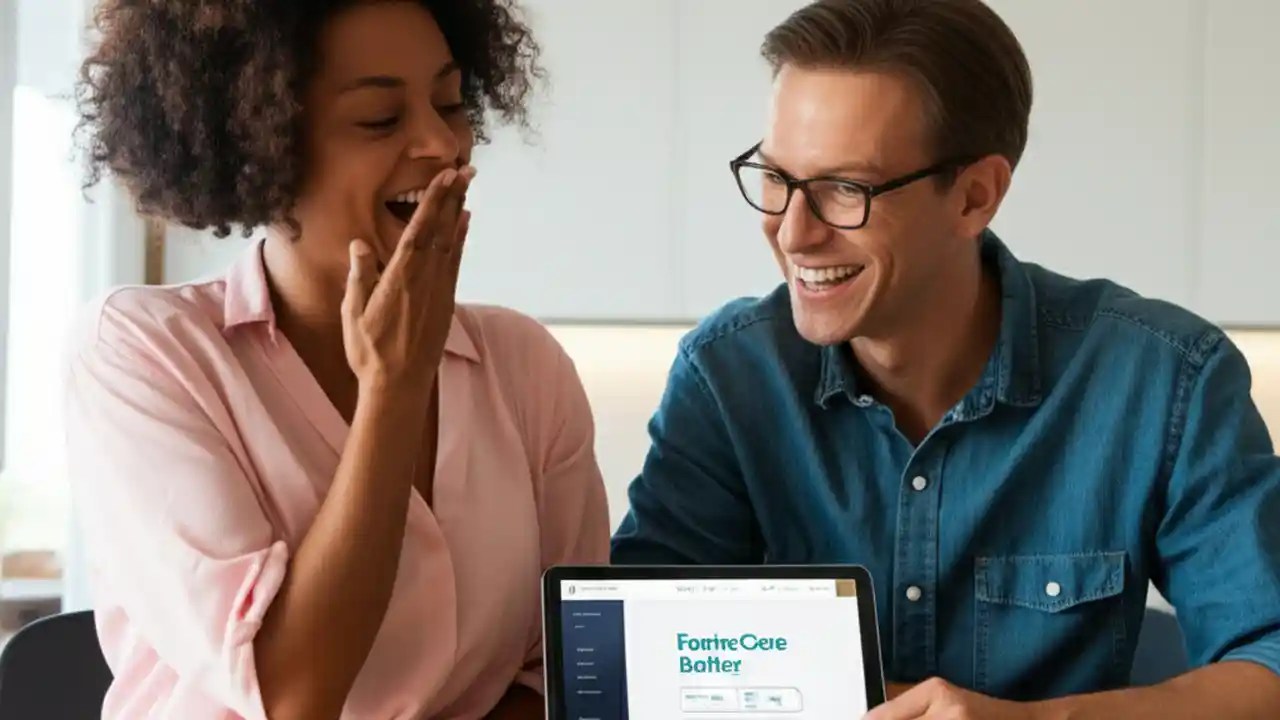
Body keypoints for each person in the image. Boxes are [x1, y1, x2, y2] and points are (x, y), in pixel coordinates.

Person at [611, 0, 1280, 717]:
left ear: (974, 196)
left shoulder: (1166, 378)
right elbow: (630, 661)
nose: (793, 234)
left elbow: (1268, 657)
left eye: (846, 190)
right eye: (776, 177)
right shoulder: (728, 378)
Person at [65, 2, 609, 718]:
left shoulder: (526, 368)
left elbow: (573, 674)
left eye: (450, 102)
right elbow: (292, 696)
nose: (442, 143)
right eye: (380, 119)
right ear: (263, 146)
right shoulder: (144, 351)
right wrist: (393, 389)